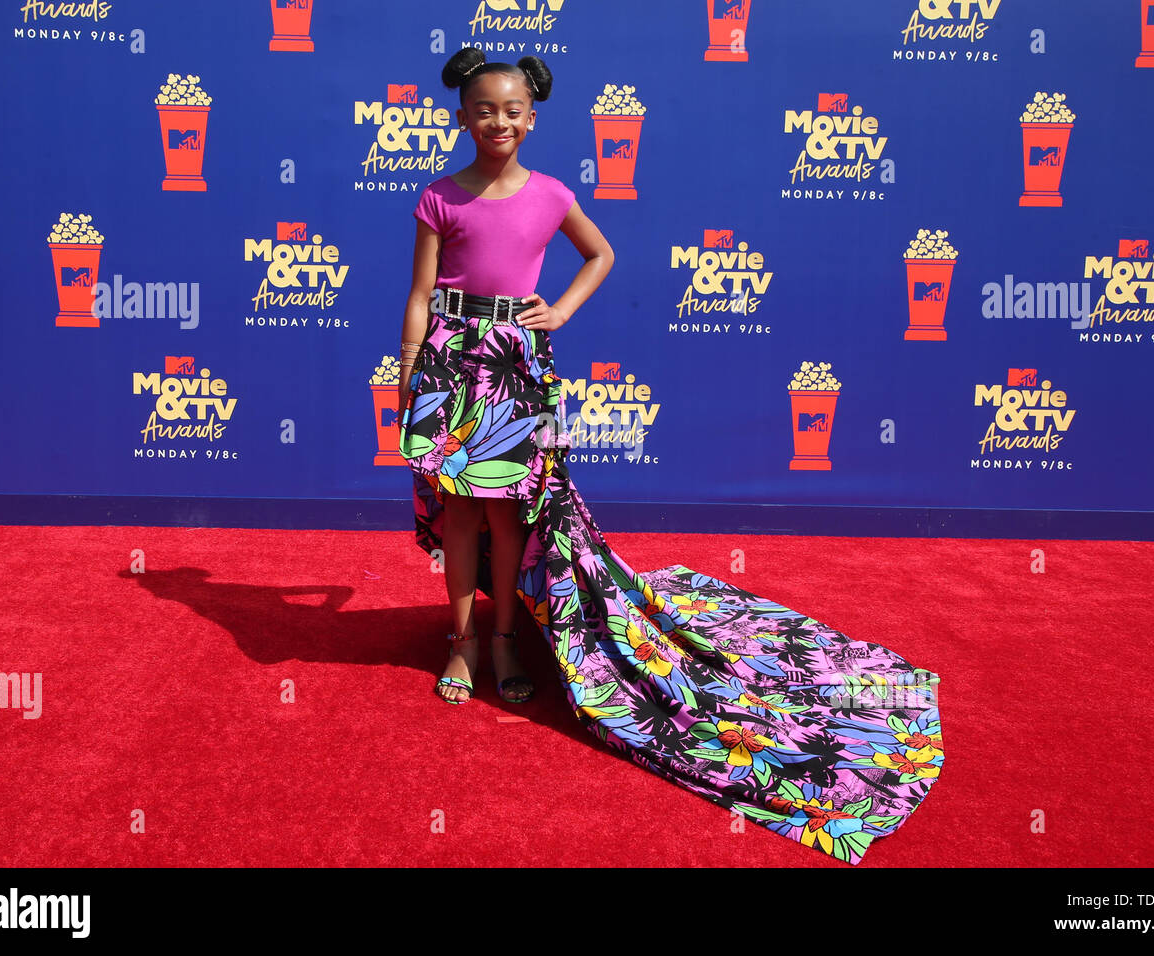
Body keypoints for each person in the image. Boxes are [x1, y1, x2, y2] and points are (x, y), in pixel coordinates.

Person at [396, 48, 944, 863]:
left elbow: (601, 255)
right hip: (450, 362)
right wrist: (411, 377)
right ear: (461, 115)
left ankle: (509, 640)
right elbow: (417, 295)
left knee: (515, 514)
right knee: (463, 511)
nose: (499, 122)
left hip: (518, 361)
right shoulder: (440, 196)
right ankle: (463, 642)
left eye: (512, 109)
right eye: (484, 109)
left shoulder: (551, 195)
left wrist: (563, 313)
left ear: (533, 116)